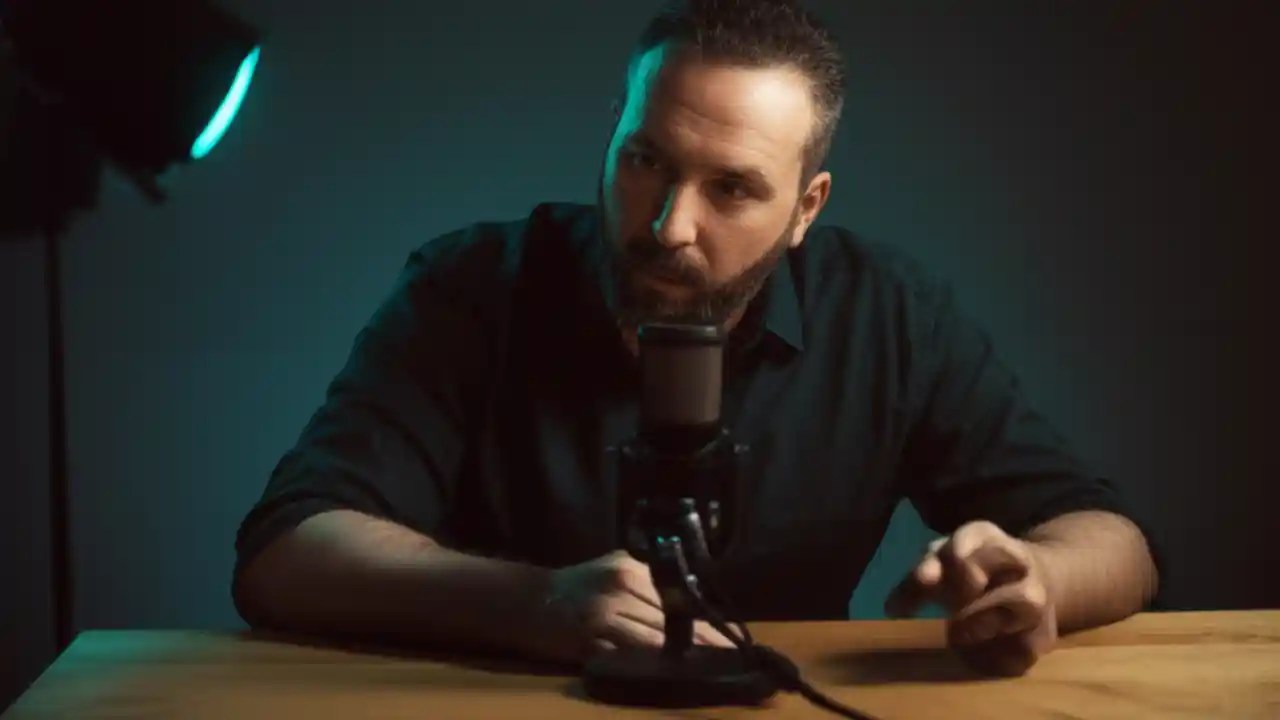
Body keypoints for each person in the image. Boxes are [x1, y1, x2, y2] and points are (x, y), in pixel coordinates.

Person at [232, 0, 1160, 677]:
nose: (670, 226)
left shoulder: (887, 313)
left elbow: (1115, 542)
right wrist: (532, 605)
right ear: (611, 138)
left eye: (734, 189)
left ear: (806, 209)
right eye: (645, 162)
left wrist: (1037, 576)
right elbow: (286, 554)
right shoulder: (470, 287)